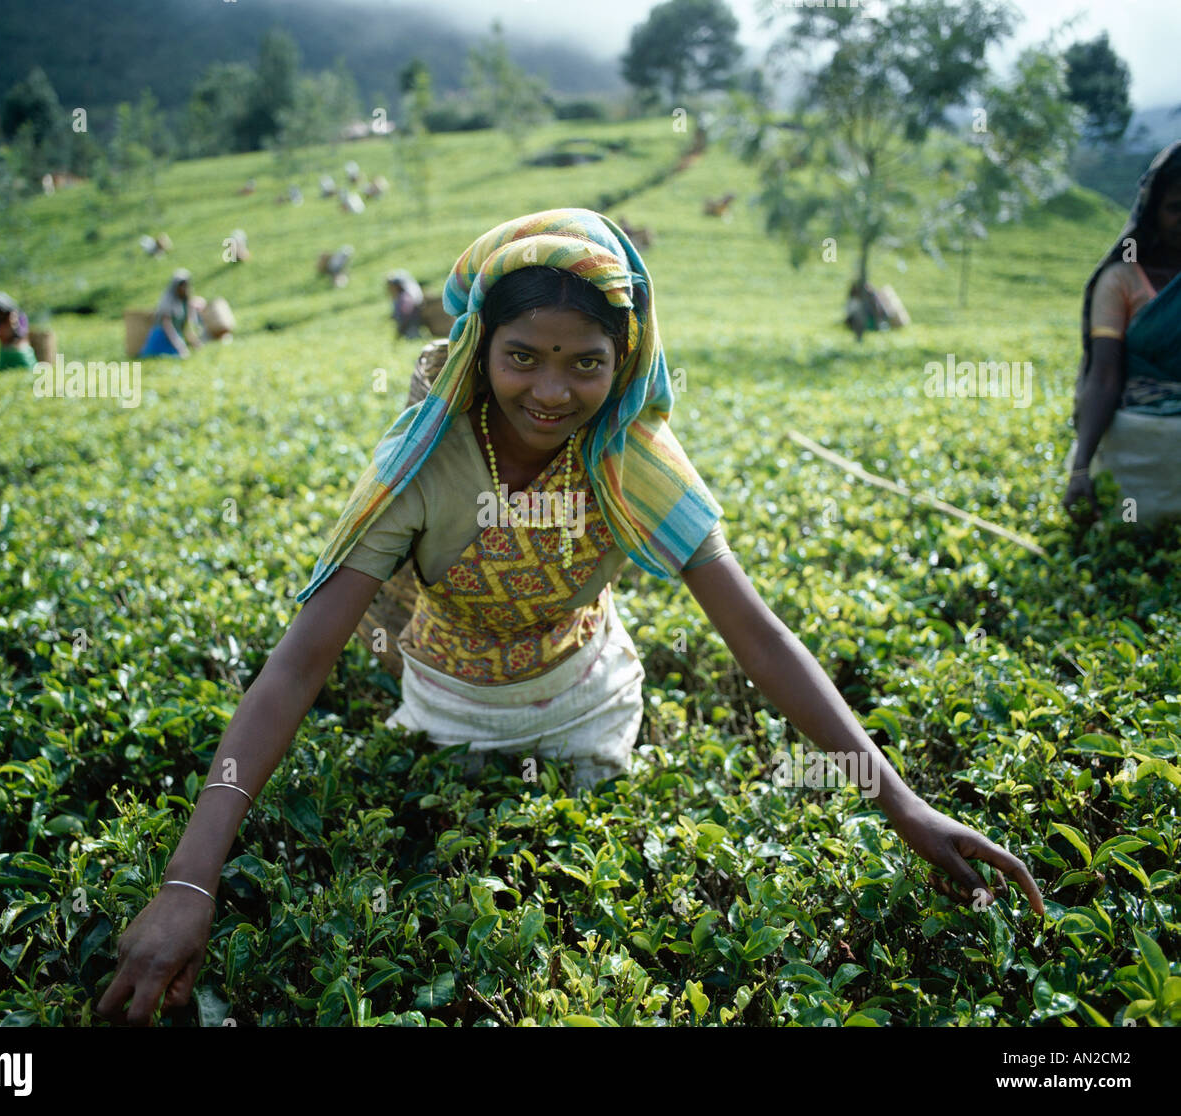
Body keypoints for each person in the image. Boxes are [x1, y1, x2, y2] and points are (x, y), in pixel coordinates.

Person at [96, 208, 1044, 1026]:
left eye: (585, 363)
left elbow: (756, 634)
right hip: (447, 704)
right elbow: (295, 668)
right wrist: (188, 882)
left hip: (588, 700)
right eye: (523, 358)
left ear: (623, 358)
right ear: (480, 346)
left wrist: (903, 804)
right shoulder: (424, 461)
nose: (551, 392)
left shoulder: (633, 454)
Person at [1064, 141, 1181, 525]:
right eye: (1175, 208)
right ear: (1152, 213)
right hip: (1141, 438)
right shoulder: (1122, 279)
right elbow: (1104, 375)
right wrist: (1081, 468)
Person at [139, 269, 200, 358]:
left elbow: (185, 327)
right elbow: (167, 326)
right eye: (181, 286)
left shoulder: (185, 302)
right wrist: (179, 346)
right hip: (164, 337)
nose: (184, 289)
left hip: (176, 335)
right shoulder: (168, 301)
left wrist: (194, 342)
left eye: (185, 286)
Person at [0, 291, 36, 371]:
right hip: (5, 354)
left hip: (21, 353)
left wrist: (13, 323)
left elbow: (21, 335)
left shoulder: (19, 317)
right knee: (4, 370)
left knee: (26, 369)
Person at [385, 269, 424, 339]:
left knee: (413, 338)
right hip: (405, 327)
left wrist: (400, 328)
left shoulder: (405, 298)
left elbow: (406, 314)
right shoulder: (397, 298)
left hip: (411, 325)